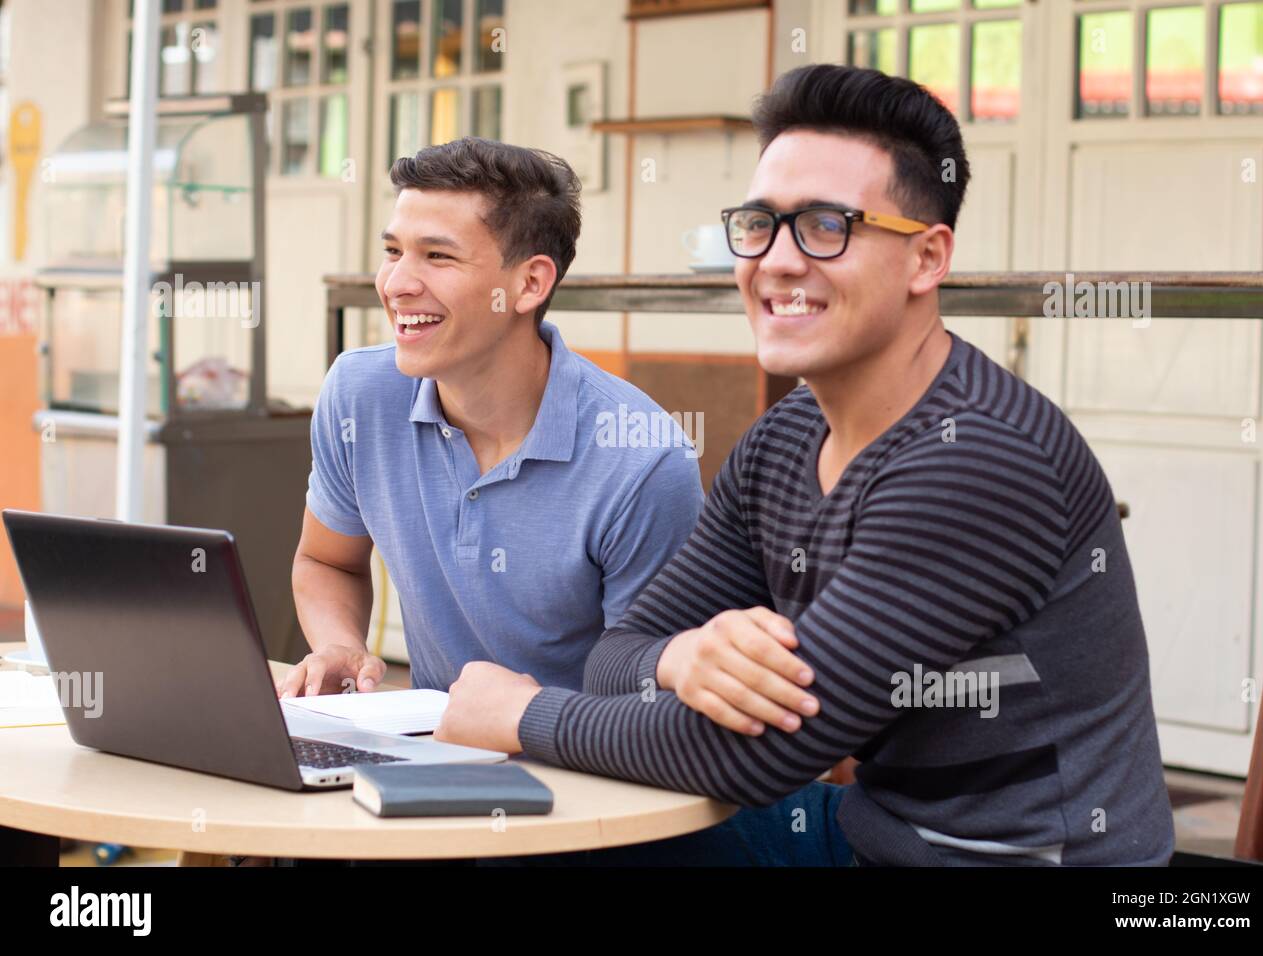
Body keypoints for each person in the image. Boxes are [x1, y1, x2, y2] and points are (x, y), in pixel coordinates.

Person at [435, 66, 1176, 867]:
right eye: (760, 224)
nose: (779, 261)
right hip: (866, 838)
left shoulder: (980, 460)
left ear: (927, 258)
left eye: (827, 225)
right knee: (529, 829)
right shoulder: (787, 437)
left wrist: (520, 713)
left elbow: (760, 756)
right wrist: (679, 658)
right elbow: (617, 655)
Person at [279, 138, 703, 699]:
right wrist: (338, 644)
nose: (397, 284)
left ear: (529, 283)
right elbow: (326, 560)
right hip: (425, 754)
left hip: (590, 770)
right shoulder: (360, 395)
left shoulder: (642, 463)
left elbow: (654, 694)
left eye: (438, 256)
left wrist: (527, 728)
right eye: (392, 251)